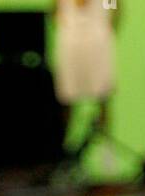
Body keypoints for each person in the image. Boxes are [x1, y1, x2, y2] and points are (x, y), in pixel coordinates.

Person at [53, 0, 118, 178]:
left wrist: (106, 28)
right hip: (71, 38)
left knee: (103, 97)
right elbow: (55, 10)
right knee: (66, 99)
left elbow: (114, 7)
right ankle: (63, 154)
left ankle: (106, 152)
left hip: (97, 38)